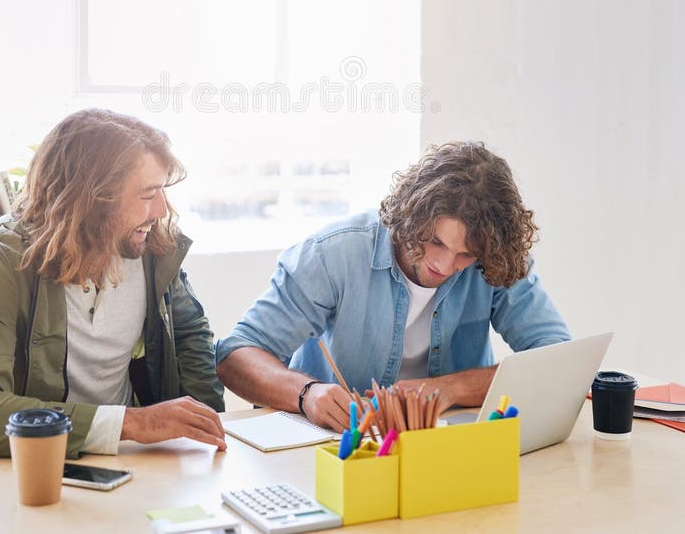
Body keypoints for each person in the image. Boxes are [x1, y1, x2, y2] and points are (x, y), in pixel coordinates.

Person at [216, 141, 569, 432]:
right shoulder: (334, 254)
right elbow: (236, 356)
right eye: (435, 241)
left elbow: (559, 361)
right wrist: (307, 393)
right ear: (412, 214)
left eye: (466, 255)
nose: (444, 266)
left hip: (451, 448)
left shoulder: (495, 258)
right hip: (339, 448)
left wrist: (449, 389)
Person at [0, 108, 226, 458]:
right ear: (92, 197)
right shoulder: (0, 262)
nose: (162, 211)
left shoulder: (152, 248)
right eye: (148, 195)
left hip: (134, 462)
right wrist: (132, 424)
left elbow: (189, 337)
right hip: (37, 467)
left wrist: (211, 434)